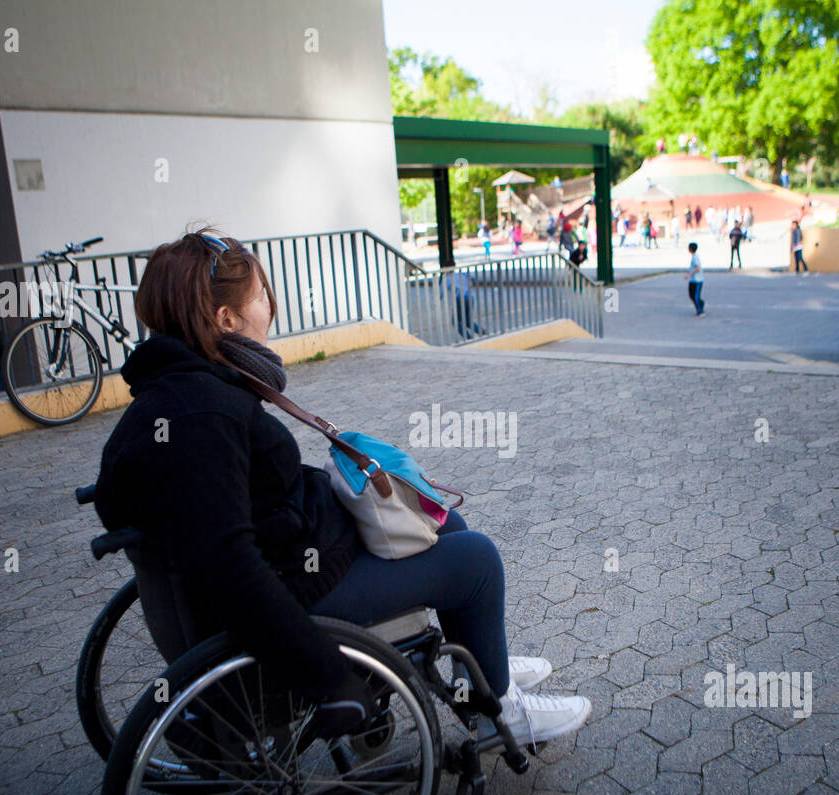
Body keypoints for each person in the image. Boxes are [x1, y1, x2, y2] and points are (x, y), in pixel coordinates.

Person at [93, 230, 591, 746]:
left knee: (440, 521)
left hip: (296, 555)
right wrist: (327, 676)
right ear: (226, 320)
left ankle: (485, 674)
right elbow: (229, 567)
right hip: (296, 595)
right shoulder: (204, 414)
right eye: (261, 296)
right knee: (476, 560)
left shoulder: (168, 396)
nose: (271, 308)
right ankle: (504, 712)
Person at [685, 242, 704, 316]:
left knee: (696, 297)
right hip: (692, 280)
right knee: (691, 295)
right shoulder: (693, 256)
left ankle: (700, 311)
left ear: (690, 249)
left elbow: (698, 267)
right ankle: (701, 303)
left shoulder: (695, 257)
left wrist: (690, 274)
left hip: (697, 280)